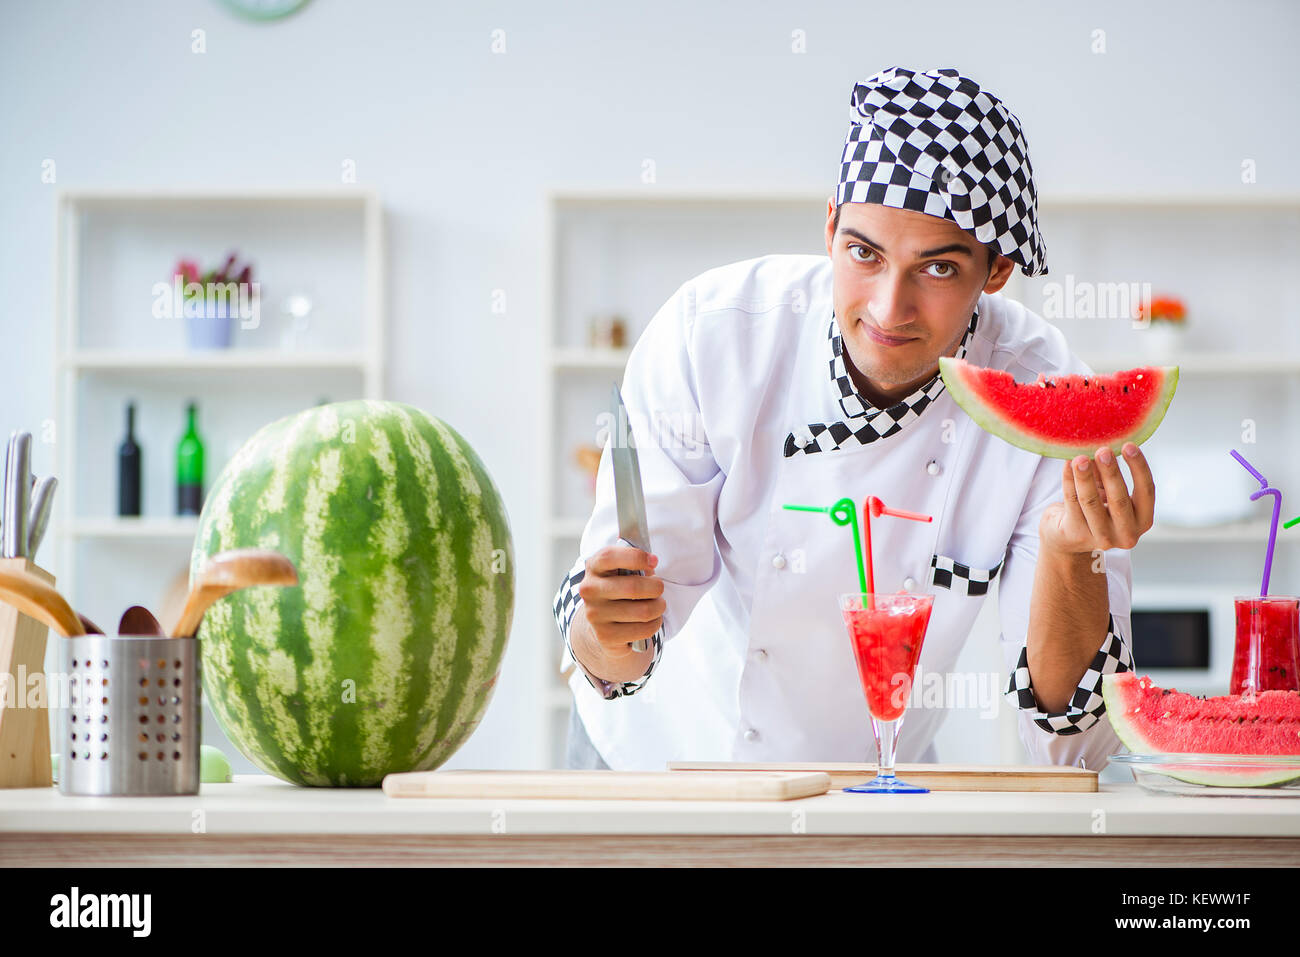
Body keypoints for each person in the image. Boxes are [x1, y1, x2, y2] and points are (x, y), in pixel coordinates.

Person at [553, 66, 1149, 772]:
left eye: (937, 269)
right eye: (864, 253)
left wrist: (1068, 553)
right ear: (830, 226)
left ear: (996, 272)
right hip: (653, 761)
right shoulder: (712, 335)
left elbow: (1071, 744)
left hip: (879, 787)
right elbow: (615, 641)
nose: (888, 308)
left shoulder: (1041, 388)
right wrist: (606, 630)